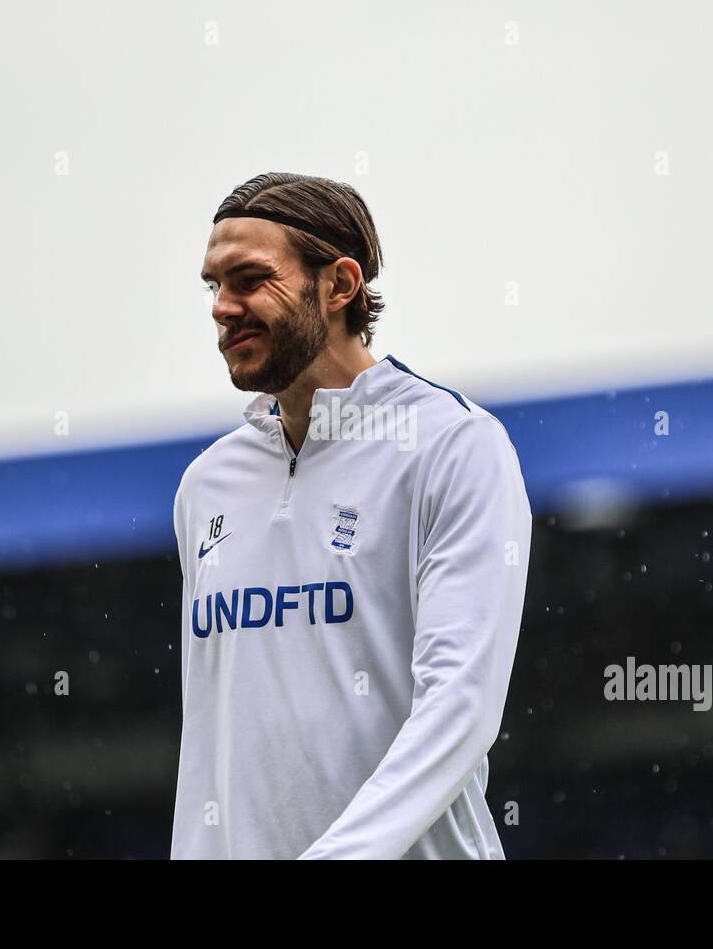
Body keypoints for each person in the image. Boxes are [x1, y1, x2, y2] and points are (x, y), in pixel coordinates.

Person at [170, 172, 532, 859]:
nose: (223, 307)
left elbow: (460, 705)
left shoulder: (453, 445)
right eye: (213, 286)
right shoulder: (205, 486)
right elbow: (212, 742)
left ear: (339, 285)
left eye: (249, 279)